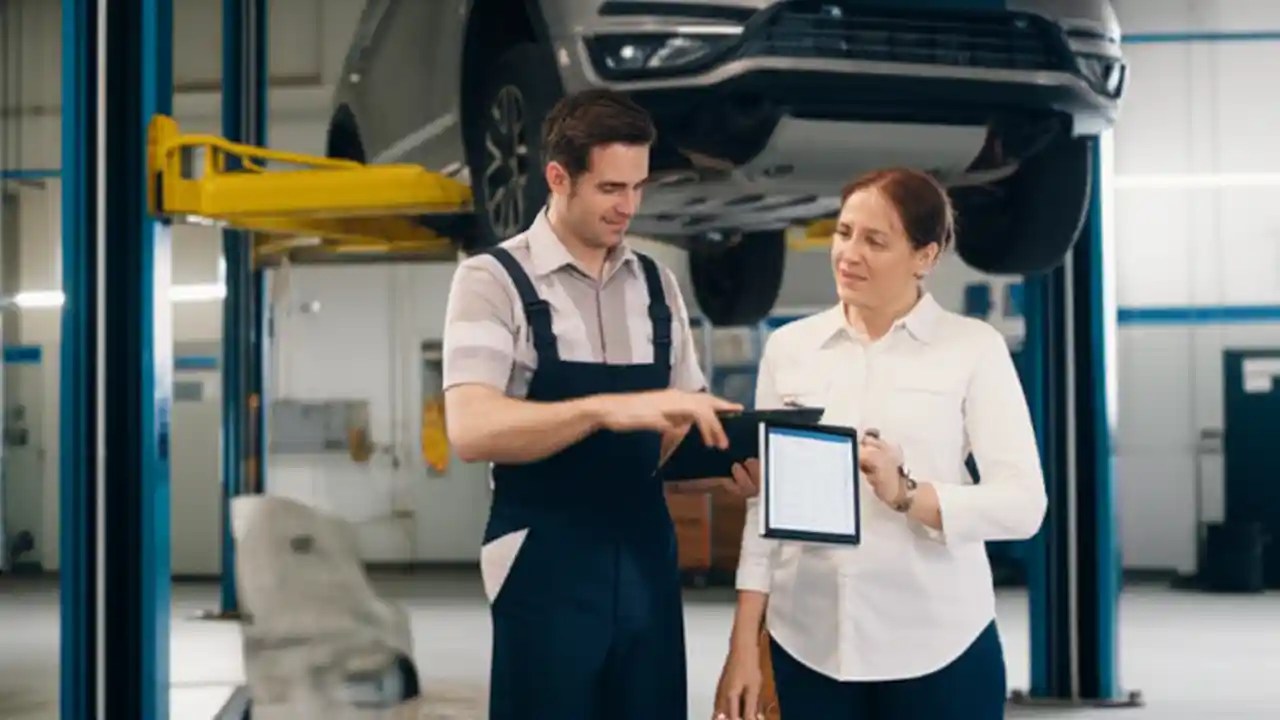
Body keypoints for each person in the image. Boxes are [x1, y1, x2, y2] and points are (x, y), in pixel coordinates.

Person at [441, 88, 757, 720]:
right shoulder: (493, 280)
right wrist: (602, 410)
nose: (629, 206)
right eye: (611, 188)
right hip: (543, 558)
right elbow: (472, 428)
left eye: (638, 187)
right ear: (559, 177)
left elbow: (676, 423)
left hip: (645, 557)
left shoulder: (657, 284)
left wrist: (731, 467)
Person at [713, 167, 1048, 720]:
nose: (849, 254)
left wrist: (907, 493)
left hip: (938, 646)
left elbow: (1023, 505)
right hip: (807, 645)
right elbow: (763, 514)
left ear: (925, 257)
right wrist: (744, 642)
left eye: (875, 240)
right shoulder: (791, 349)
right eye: (844, 233)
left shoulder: (972, 349)